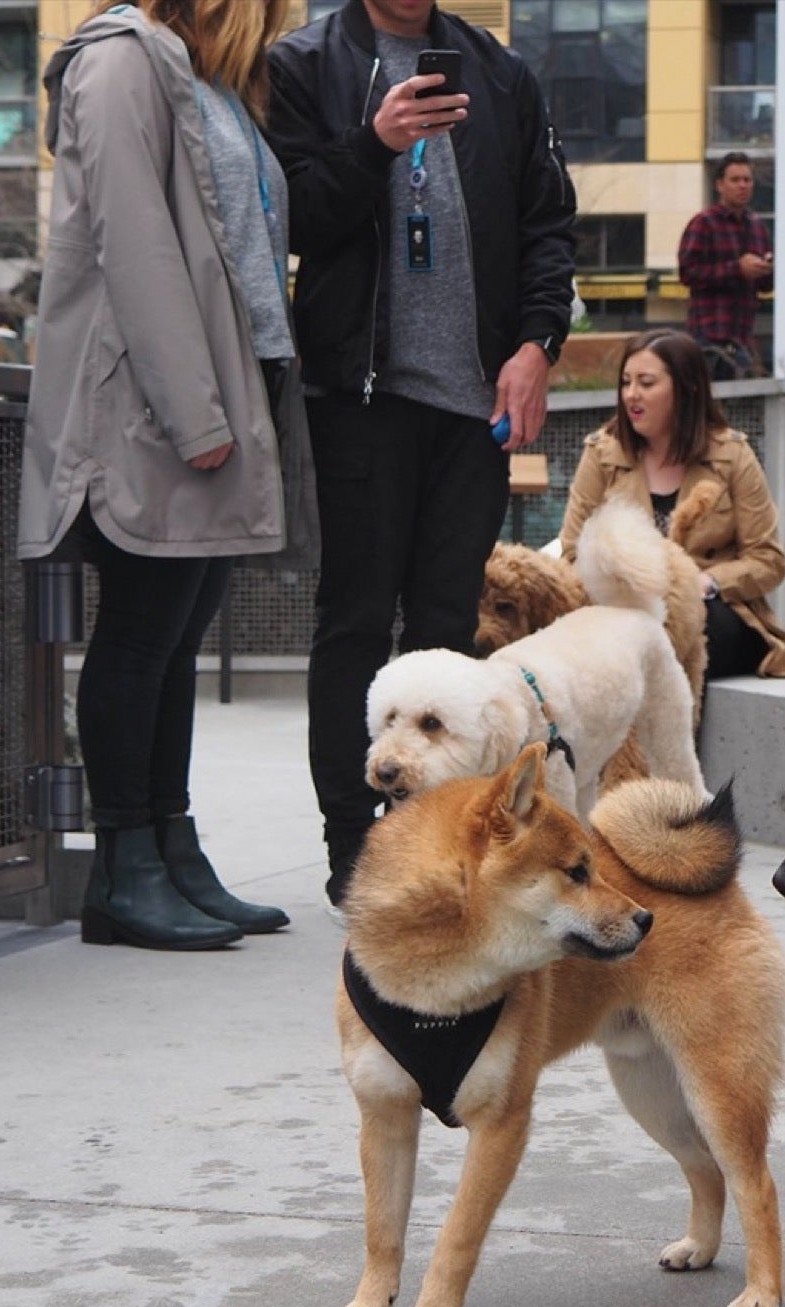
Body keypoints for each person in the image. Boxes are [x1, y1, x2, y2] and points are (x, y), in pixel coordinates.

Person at [266, 0, 578, 913]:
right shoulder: (304, 64)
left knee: (447, 630)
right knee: (355, 623)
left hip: (472, 407)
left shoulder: (501, 73)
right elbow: (294, 219)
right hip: (358, 399)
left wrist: (538, 344)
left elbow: (548, 224)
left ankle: (440, 840)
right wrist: (374, 143)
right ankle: (352, 842)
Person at [20, 0, 314, 948]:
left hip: (228, 384)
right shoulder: (120, 61)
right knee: (142, 635)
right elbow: (136, 246)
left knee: (177, 637)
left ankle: (171, 848)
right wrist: (194, 411)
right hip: (153, 405)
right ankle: (122, 869)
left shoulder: (211, 82)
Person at [558, 330, 785, 679]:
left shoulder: (732, 455)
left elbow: (768, 561)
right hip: (623, 610)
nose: (631, 394)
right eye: (626, 382)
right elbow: (572, 554)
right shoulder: (601, 454)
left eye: (646, 383)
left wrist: (706, 582)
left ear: (687, 388)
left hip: (709, 611)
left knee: (691, 627)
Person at [679, 152, 773, 381]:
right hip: (709, 338)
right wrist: (736, 269)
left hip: (743, 337)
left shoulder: (757, 226)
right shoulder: (704, 223)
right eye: (735, 180)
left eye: (747, 180)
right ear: (719, 185)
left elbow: (765, 286)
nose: (743, 186)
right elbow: (688, 273)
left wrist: (767, 269)